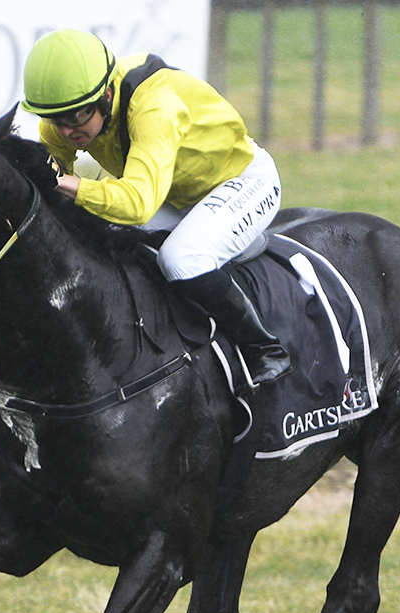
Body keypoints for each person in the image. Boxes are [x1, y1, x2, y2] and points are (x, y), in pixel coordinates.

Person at [20, 29, 290, 388]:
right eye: (58, 119)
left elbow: (137, 204)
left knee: (181, 258)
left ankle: (265, 348)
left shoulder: (154, 107)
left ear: (107, 94)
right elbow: (48, 179)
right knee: (104, 233)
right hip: (176, 192)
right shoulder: (63, 119)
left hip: (243, 181)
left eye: (78, 116)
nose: (68, 130)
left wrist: (67, 183)